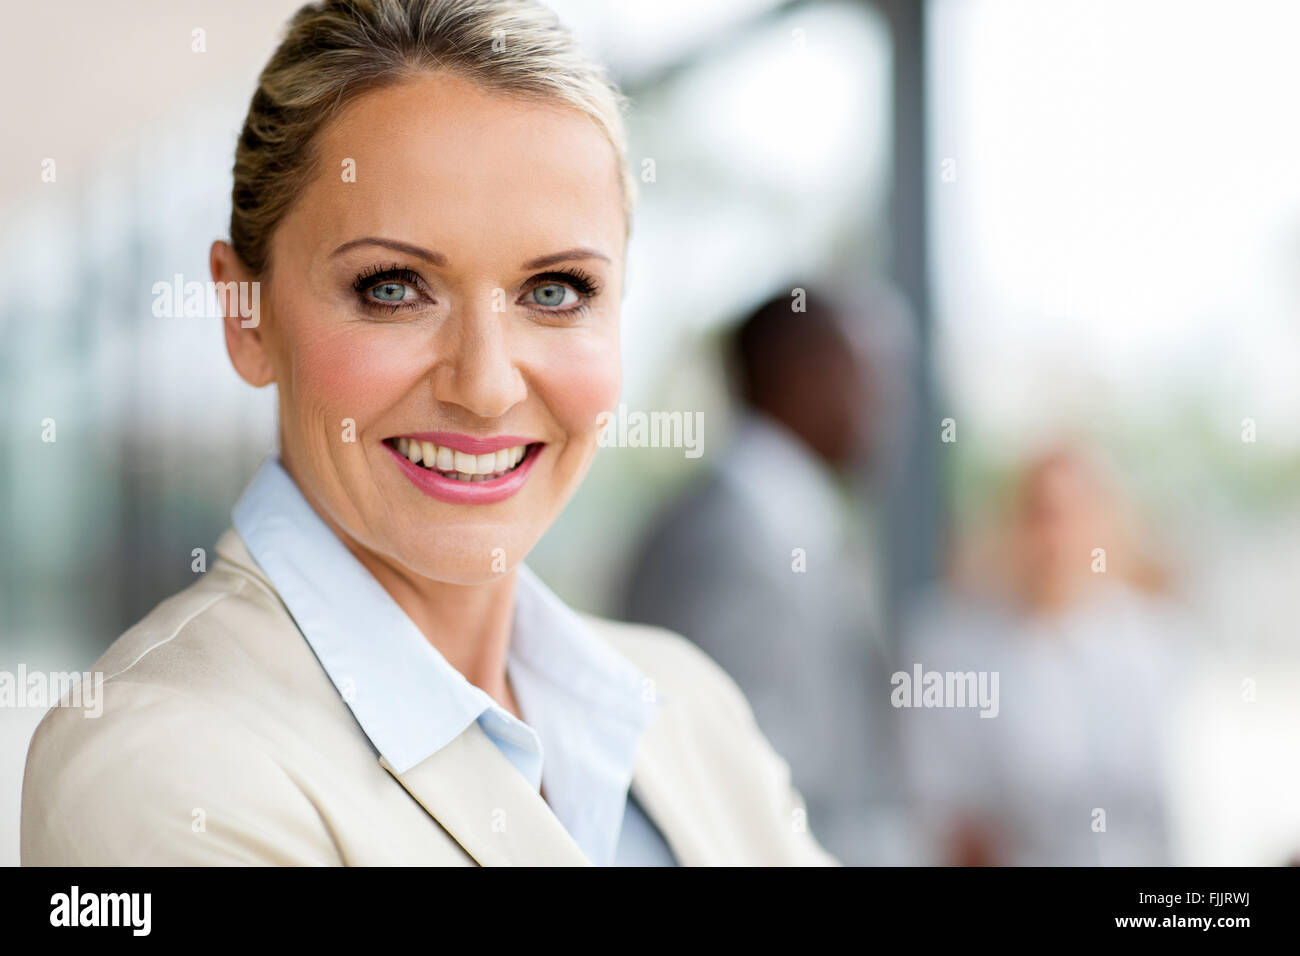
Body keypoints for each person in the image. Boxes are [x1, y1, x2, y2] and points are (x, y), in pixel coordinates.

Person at [21, 0, 835, 867]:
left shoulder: (686, 706)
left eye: (554, 291)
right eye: (393, 287)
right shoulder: (157, 774)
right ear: (245, 313)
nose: (484, 388)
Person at [621, 289, 888, 864]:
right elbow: (716, 760)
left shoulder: (780, 515)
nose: (879, 405)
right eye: (862, 377)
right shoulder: (724, 534)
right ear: (802, 377)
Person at [900, 446, 1185, 865]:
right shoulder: (954, 646)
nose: (1056, 539)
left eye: (1074, 516)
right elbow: (952, 817)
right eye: (1041, 516)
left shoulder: (1156, 645)